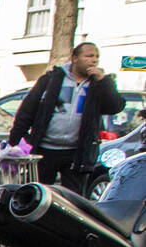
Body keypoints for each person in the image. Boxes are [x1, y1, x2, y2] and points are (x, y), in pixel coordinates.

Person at [9, 42, 125, 193]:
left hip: (77, 153)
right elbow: (27, 111)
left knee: (73, 199)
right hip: (45, 150)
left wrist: (103, 81)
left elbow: (115, 107)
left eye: (96, 57)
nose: (94, 60)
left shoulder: (98, 84)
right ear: (75, 58)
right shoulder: (52, 79)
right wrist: (16, 142)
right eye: (89, 56)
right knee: (38, 194)